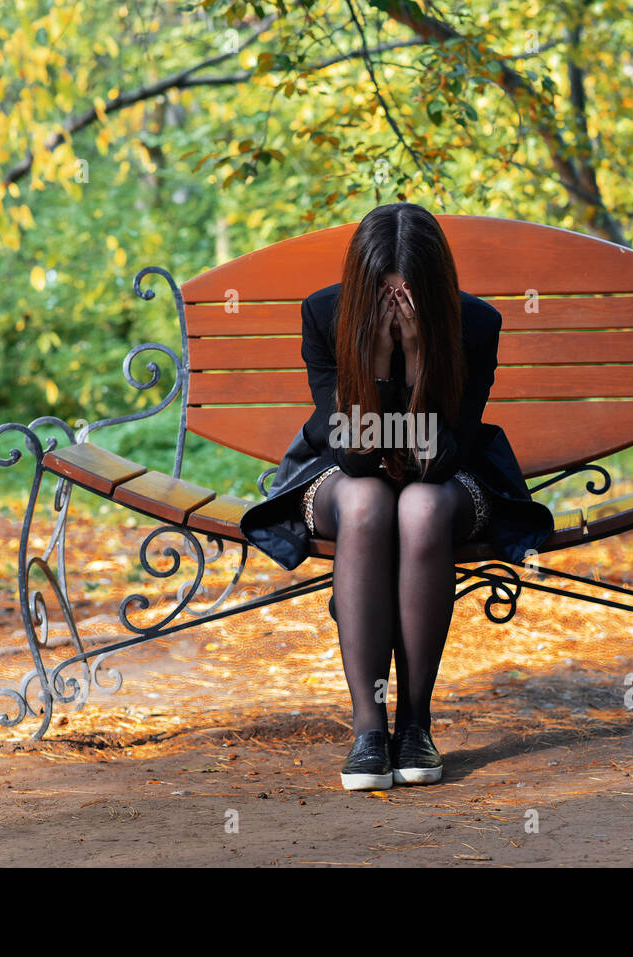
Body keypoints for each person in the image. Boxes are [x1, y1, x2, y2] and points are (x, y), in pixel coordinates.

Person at [239, 202, 553, 790]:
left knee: (422, 505)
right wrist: (380, 367)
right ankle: (368, 729)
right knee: (366, 501)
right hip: (340, 475)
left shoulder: (474, 324)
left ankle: (415, 726)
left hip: (446, 476)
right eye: (383, 291)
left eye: (409, 294)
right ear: (363, 284)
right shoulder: (326, 314)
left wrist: (421, 364)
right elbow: (355, 455)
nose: (395, 304)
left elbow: (437, 462)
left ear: (434, 287)